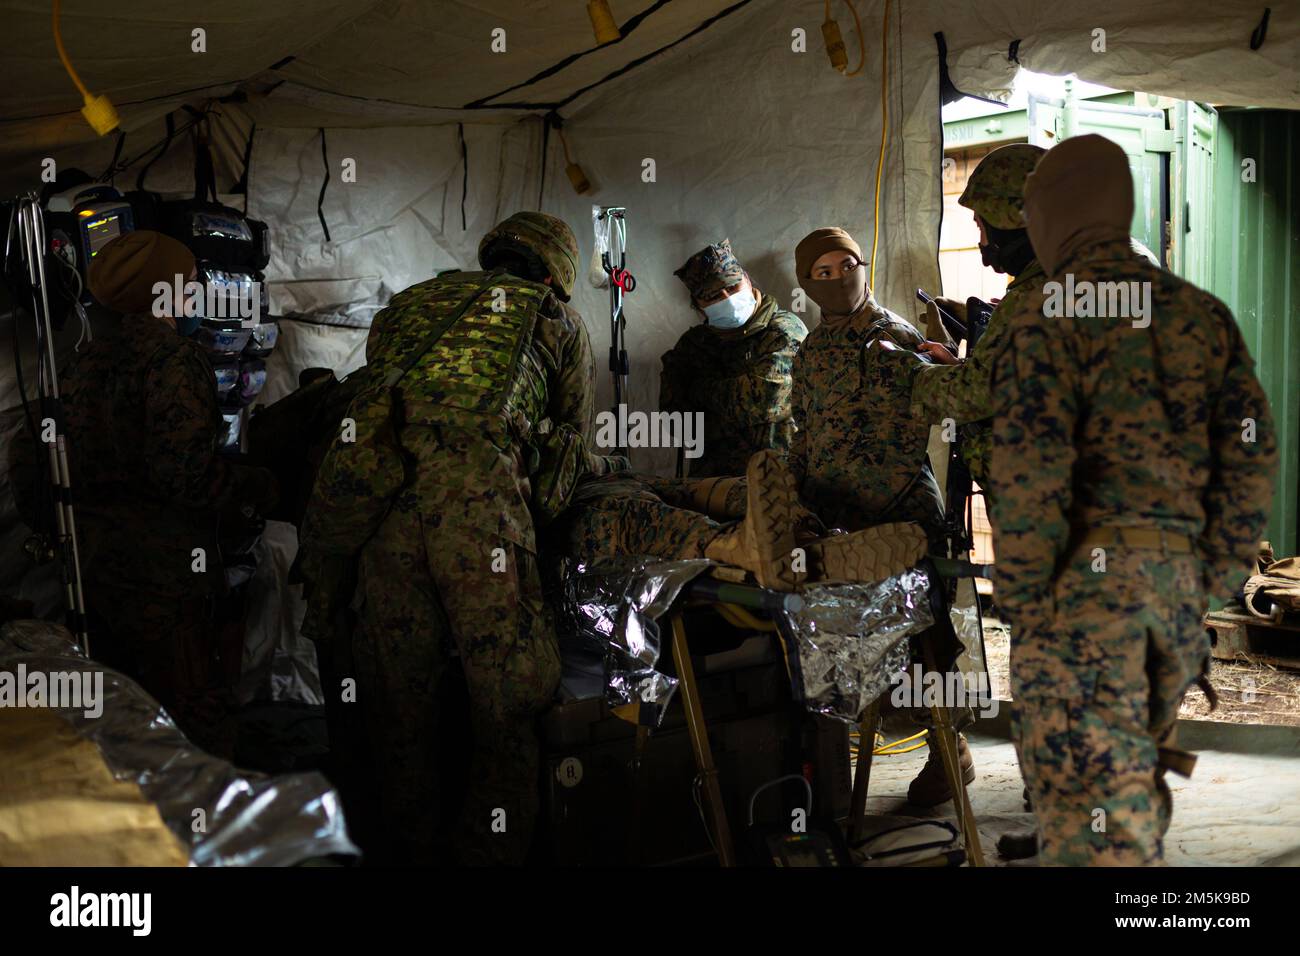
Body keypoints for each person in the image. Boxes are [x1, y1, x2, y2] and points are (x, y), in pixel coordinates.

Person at [989, 134, 1278, 865]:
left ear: (1052, 213)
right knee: (1131, 787)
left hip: (1080, 600)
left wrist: (1028, 607)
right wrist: (1210, 578)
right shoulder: (1201, 315)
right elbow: (1250, 457)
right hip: (1174, 598)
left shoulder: (1048, 315)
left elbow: (1031, 479)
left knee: (1092, 823)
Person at [300, 211, 617, 866]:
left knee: (400, 709)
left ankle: (407, 851)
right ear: (557, 269)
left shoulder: (414, 303)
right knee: (508, 706)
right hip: (484, 523)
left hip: (385, 521)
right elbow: (567, 446)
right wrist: (547, 519)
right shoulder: (555, 319)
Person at [61, 230, 278, 755]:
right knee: (193, 715)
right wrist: (260, 486)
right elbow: (183, 477)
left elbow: (33, 459)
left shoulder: (79, 360)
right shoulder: (174, 359)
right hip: (163, 575)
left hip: (92, 569)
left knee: (114, 715)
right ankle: (205, 824)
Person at [789, 227, 971, 805]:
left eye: (847, 264)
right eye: (823, 272)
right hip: (840, 525)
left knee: (928, 641)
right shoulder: (810, 352)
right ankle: (833, 771)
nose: (839, 278)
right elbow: (802, 431)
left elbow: (945, 399)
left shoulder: (895, 336)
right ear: (806, 284)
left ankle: (949, 753)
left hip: (903, 515)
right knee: (847, 643)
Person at [660, 239, 807, 477]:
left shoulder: (784, 329)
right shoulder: (692, 346)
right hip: (711, 482)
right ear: (699, 306)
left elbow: (767, 400)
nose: (727, 298)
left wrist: (700, 391)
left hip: (777, 479)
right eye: (714, 296)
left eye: (733, 286)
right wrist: (741, 401)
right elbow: (678, 425)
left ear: (747, 281)